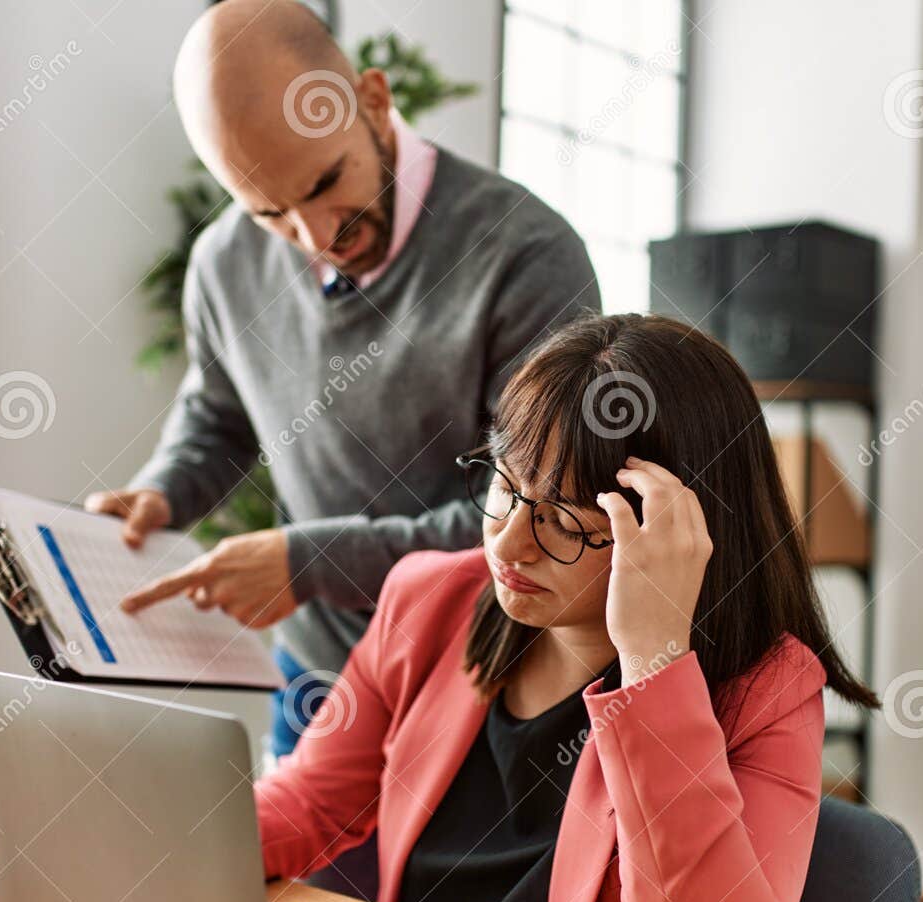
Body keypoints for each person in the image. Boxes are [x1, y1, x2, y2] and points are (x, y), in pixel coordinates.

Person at [253, 313, 880, 902]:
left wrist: (654, 663)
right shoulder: (428, 597)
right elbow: (309, 804)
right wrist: (163, 843)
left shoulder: (767, 688)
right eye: (507, 487)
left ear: (676, 531)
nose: (512, 544)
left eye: (565, 519)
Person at [92, 0, 599, 777]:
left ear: (371, 99)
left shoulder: (525, 254)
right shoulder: (223, 264)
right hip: (318, 682)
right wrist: (161, 494)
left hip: (488, 682)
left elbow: (538, 524)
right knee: (293, 895)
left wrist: (309, 563)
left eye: (328, 182)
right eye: (270, 213)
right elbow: (218, 421)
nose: (316, 238)